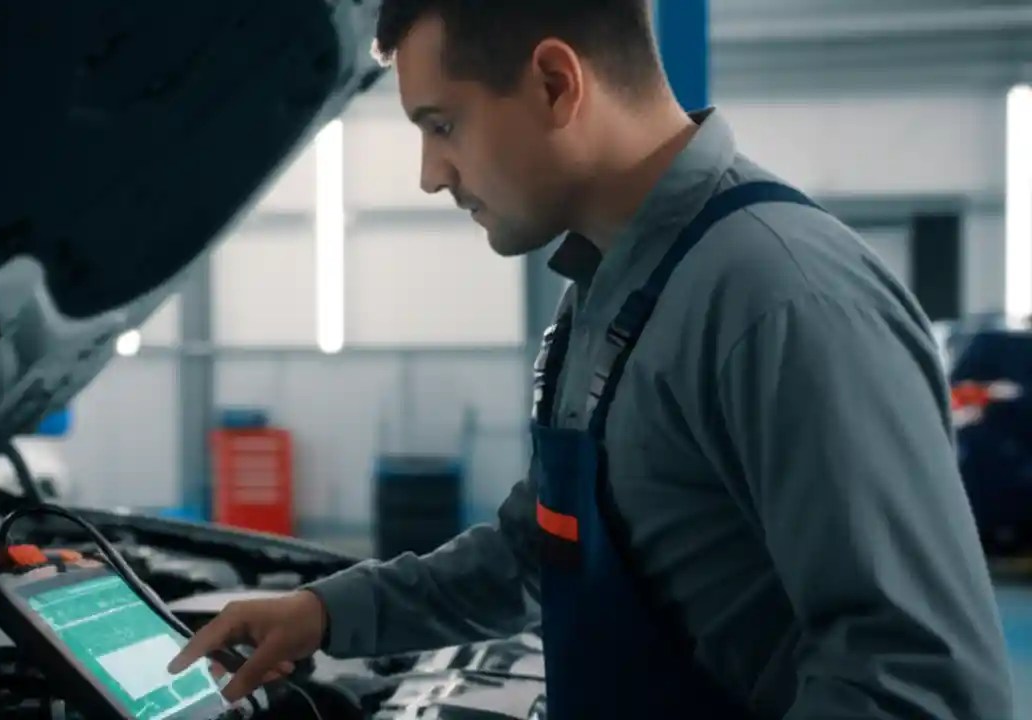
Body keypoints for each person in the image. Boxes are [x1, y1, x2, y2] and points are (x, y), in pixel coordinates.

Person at [169, 1, 1017, 717]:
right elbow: (541, 548)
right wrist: (322, 612)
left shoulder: (781, 299)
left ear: (554, 83)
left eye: (441, 124)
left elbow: (916, 684)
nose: (431, 174)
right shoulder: (614, 288)